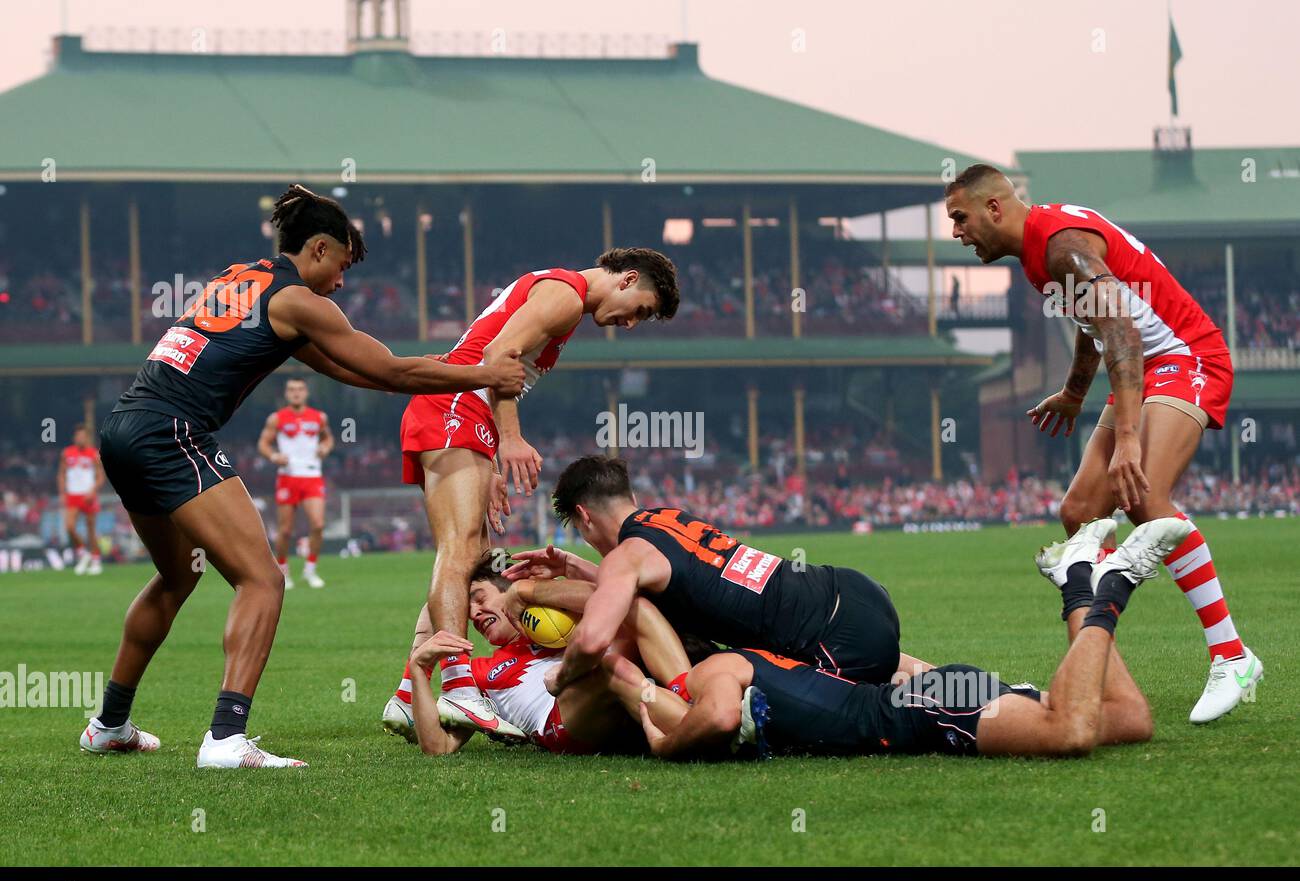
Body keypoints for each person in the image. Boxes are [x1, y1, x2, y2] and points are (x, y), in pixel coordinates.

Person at [79, 184, 525, 769]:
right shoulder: (298, 300)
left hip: (125, 428)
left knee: (176, 577)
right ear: (318, 249)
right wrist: (482, 373)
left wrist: (437, 374)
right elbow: (389, 370)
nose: (340, 283)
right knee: (262, 580)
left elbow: (353, 370)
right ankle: (225, 739)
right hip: (172, 434)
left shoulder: (242, 279)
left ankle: (109, 725)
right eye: (340, 266)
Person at [945, 163, 1261, 723]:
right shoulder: (1043, 247)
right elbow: (1095, 322)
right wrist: (1072, 391)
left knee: (1142, 495)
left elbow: (1121, 329)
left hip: (1186, 358)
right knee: (1080, 514)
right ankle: (1107, 637)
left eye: (960, 217)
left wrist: (1130, 439)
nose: (956, 232)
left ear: (994, 208)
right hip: (1147, 365)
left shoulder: (1060, 247)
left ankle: (1232, 656)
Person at [381, 249, 681, 738]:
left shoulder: (559, 293)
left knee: (472, 556)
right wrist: (512, 440)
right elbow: (500, 357)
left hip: (460, 412)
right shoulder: (564, 295)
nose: (631, 323)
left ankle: (406, 694)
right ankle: (458, 688)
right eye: (641, 309)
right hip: (456, 407)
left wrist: (491, 451)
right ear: (627, 280)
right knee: (459, 552)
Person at [609, 517, 1182, 761]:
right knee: (1131, 720)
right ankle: (1078, 573)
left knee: (1073, 731)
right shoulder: (777, 653)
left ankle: (1101, 593)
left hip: (928, 709)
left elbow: (715, 720)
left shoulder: (723, 667)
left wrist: (659, 733)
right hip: (931, 694)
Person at [506, 456, 929, 702]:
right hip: (858, 592)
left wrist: (559, 679)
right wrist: (576, 567)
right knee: (893, 667)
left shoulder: (627, 557)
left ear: (583, 516)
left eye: (579, 532)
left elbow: (594, 638)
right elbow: (674, 582)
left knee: (855, 712)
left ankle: (930, 699)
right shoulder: (668, 518)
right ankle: (924, 671)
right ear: (630, 498)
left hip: (837, 643)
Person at [404, 551, 692, 756]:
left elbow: (612, 597)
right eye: (468, 613)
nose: (475, 614)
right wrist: (418, 669)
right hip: (560, 721)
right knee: (610, 668)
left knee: (634, 608)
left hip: (610, 693)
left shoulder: (554, 620)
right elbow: (438, 747)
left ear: (509, 590)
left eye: (479, 599)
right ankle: (702, 729)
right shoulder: (477, 673)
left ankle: (690, 696)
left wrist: (530, 592)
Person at [257, 376, 333, 589]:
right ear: (286, 394)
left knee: (318, 524)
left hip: (312, 475)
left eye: (300, 389)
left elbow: (328, 438)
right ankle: (283, 571)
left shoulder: (319, 417)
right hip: (288, 476)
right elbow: (263, 443)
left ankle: (310, 570)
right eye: (292, 390)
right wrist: (274, 457)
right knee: (286, 530)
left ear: (306, 392)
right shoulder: (277, 418)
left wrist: (325, 448)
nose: (296, 393)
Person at [59, 423, 105, 576]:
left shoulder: (93, 454)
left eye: (84, 436)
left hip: (88, 495)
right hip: (73, 494)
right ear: (74, 437)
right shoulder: (67, 453)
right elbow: (62, 474)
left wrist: (93, 491)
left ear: (87, 438)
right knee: (69, 527)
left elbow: (100, 477)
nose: (81, 438)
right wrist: (62, 492)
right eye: (79, 435)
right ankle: (83, 553)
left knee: (91, 529)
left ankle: (96, 559)